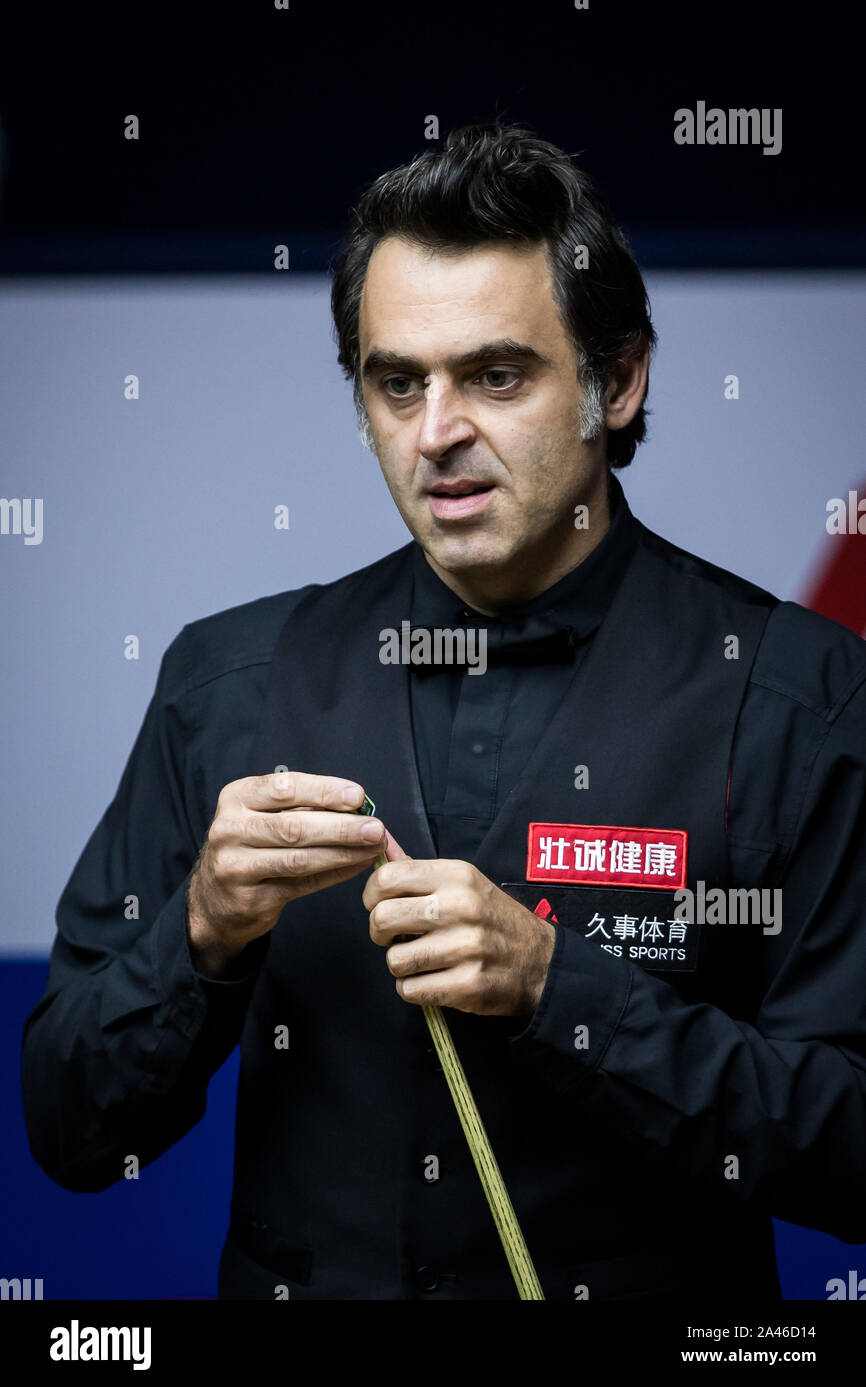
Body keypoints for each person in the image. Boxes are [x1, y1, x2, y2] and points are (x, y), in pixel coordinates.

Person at [22, 124, 866, 1301]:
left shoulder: (800, 697)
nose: (436, 434)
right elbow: (66, 1129)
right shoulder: (224, 679)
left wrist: (557, 991)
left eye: (496, 375)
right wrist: (201, 934)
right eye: (396, 381)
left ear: (615, 380)